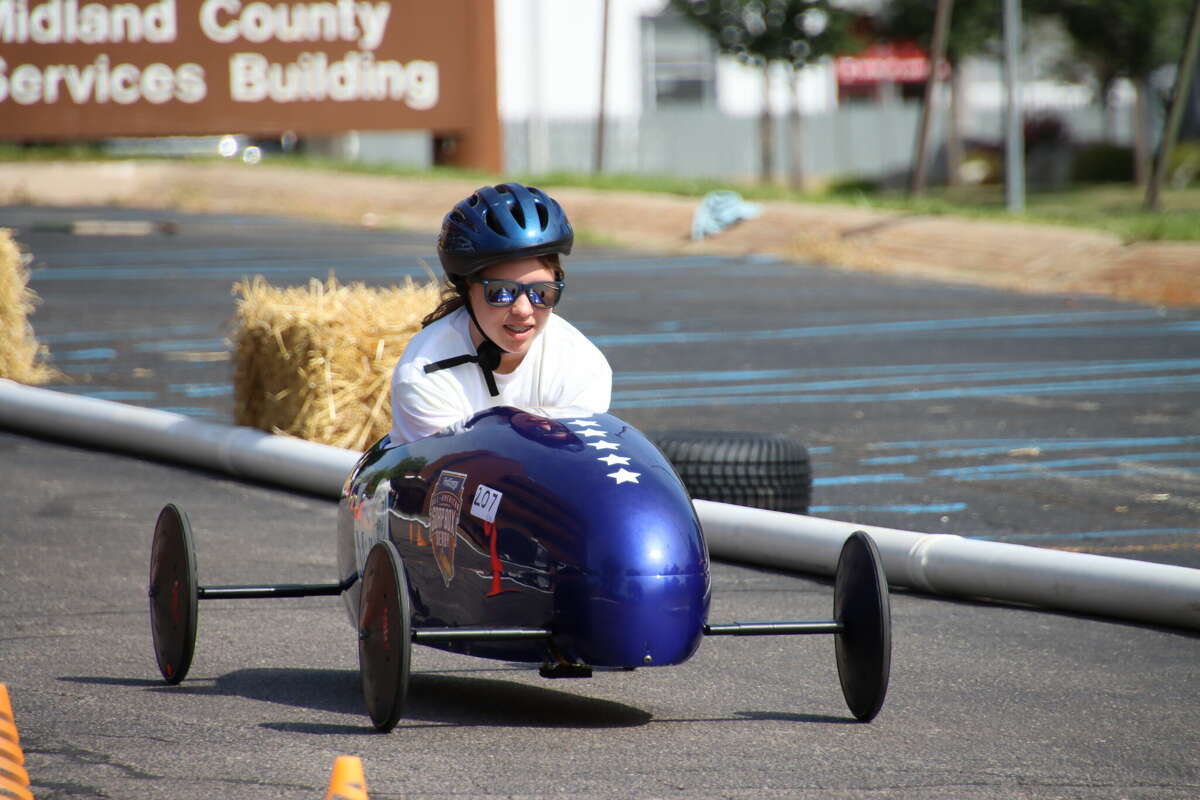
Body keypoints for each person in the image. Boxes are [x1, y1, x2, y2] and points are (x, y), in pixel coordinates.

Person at [388, 183, 612, 444]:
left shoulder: (582, 364)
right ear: (466, 288)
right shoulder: (424, 373)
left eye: (542, 292)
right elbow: (463, 475)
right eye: (501, 292)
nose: (524, 310)